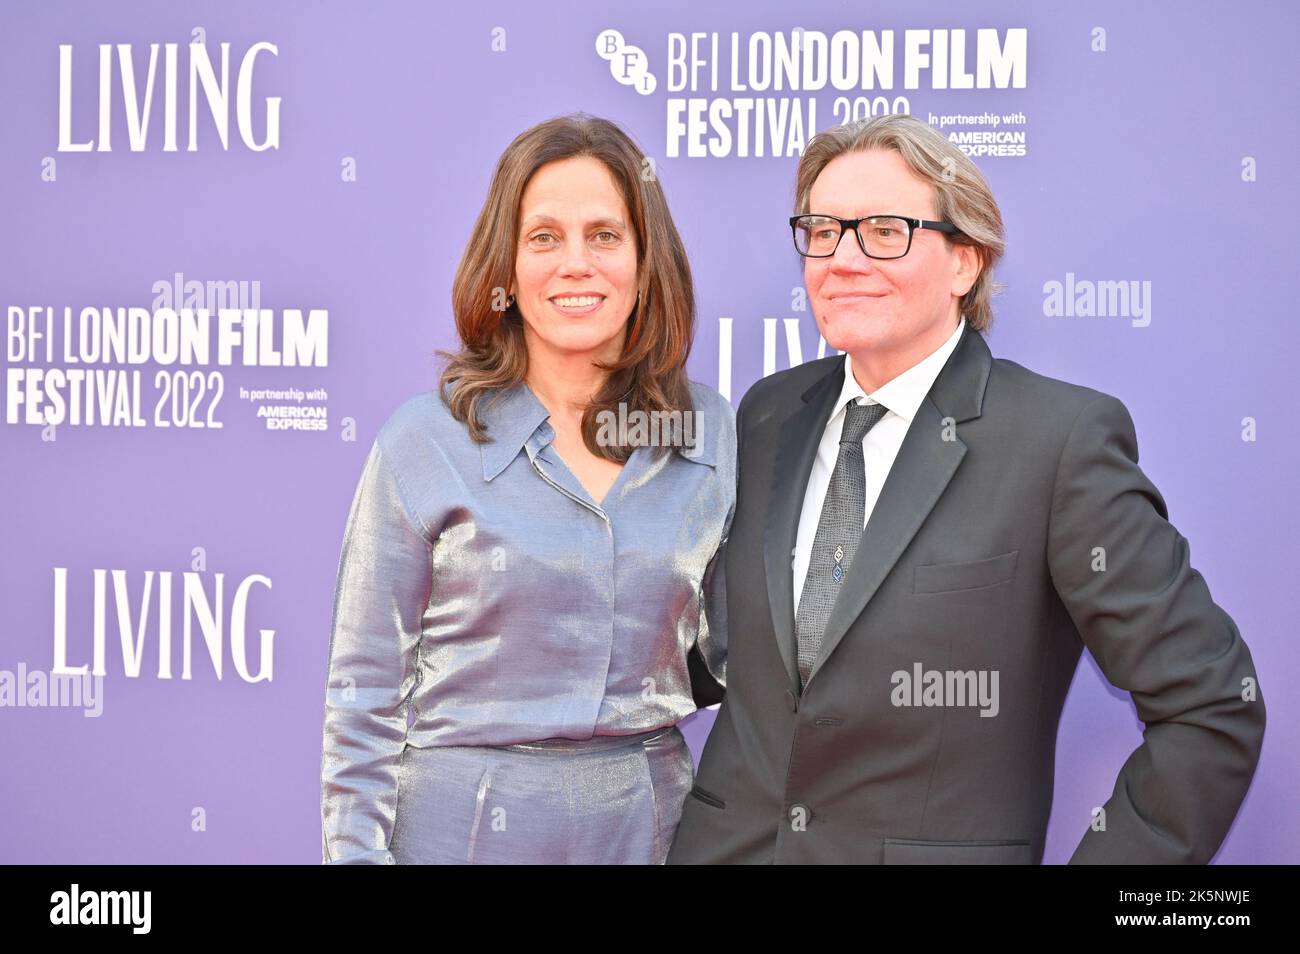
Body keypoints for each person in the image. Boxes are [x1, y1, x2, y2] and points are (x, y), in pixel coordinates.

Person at [669, 113, 1265, 864]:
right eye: (822, 231)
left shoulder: (1059, 442)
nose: (841, 258)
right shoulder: (765, 413)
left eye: (884, 230)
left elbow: (1212, 706)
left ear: (966, 261)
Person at [320, 114, 735, 864]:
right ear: (506, 268)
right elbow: (362, 702)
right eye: (544, 237)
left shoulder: (709, 433)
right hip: (459, 830)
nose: (575, 262)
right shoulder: (426, 441)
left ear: (647, 262)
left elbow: (747, 657)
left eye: (605, 235)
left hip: (650, 830)